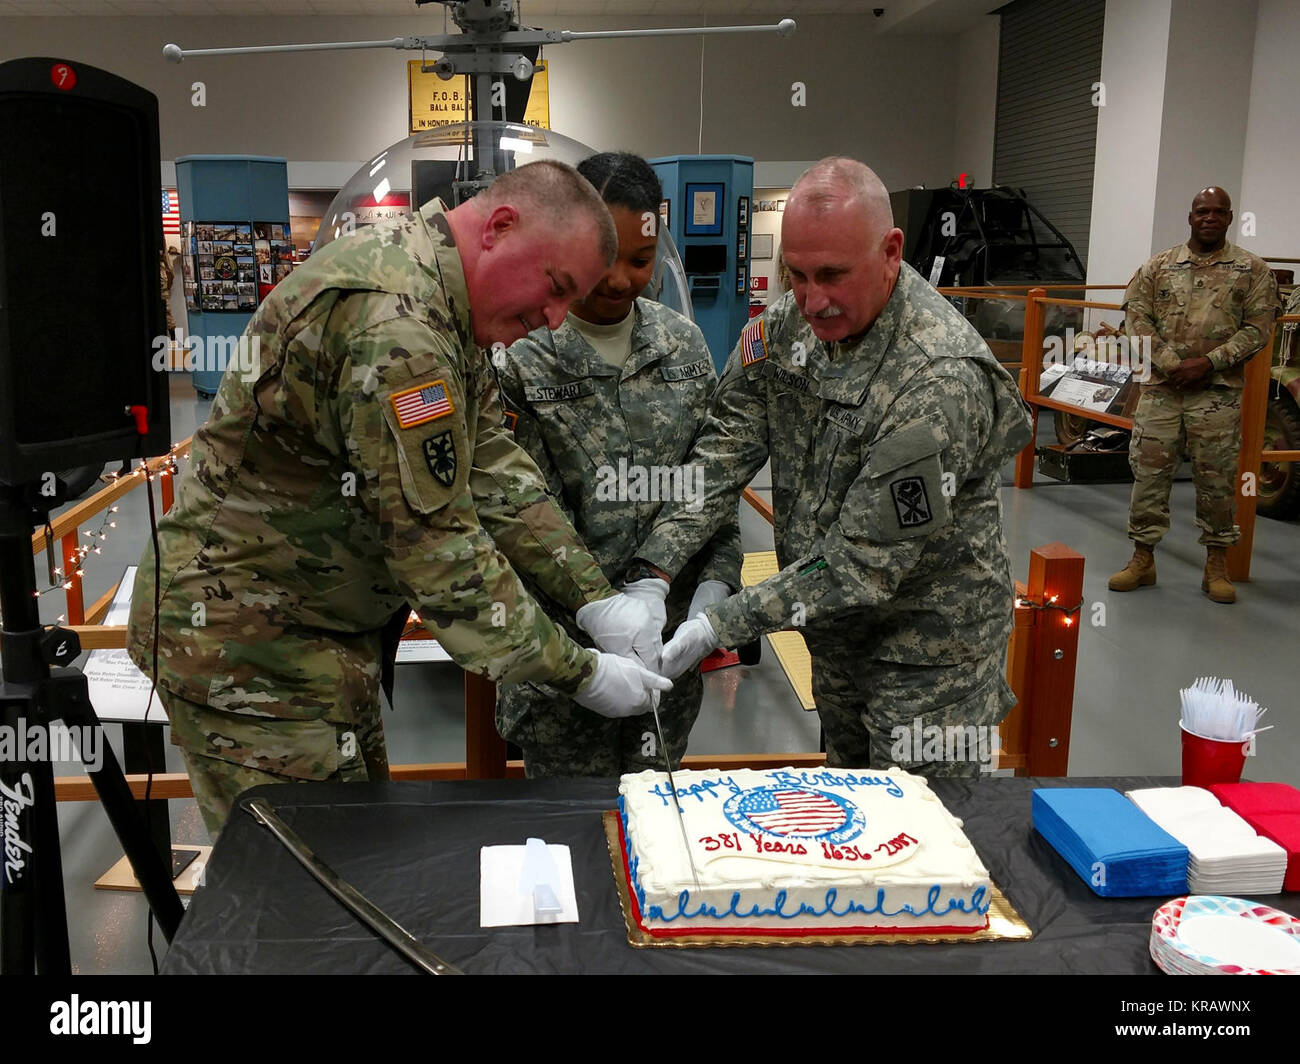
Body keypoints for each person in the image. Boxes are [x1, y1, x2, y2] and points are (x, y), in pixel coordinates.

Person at [127, 161, 670, 838]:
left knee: (355, 864)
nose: (554, 319)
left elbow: (493, 469)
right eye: (555, 288)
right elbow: (438, 551)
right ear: (500, 227)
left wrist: (595, 598)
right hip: (250, 653)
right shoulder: (398, 320)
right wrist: (581, 671)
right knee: (310, 895)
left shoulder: (445, 305)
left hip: (313, 641)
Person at [629, 156, 1034, 776]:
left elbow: (861, 564)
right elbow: (723, 450)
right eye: (797, 275)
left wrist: (718, 626)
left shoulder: (938, 379)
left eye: (834, 276)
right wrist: (655, 570)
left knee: (929, 839)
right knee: (847, 802)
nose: (814, 301)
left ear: (892, 251)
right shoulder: (788, 327)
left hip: (930, 659)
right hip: (834, 635)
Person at [494, 153, 742, 777]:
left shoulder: (682, 345)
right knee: (569, 842)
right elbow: (520, 518)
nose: (621, 280)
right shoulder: (525, 355)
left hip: (666, 667)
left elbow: (712, 488)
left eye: (641, 260)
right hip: (567, 673)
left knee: (656, 835)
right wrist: (601, 613)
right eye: (607, 258)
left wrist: (714, 593)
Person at [1108, 187, 1278, 604]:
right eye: (1203, 211)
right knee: (1148, 475)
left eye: (1219, 212)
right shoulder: (1158, 266)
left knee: (1216, 479)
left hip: (1215, 393)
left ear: (1230, 218)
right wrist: (1170, 362)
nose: (1210, 217)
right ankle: (1142, 558)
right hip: (1162, 391)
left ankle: (1215, 564)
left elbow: (1258, 328)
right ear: (1190, 217)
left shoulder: (1252, 270)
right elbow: (1136, 320)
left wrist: (1210, 362)